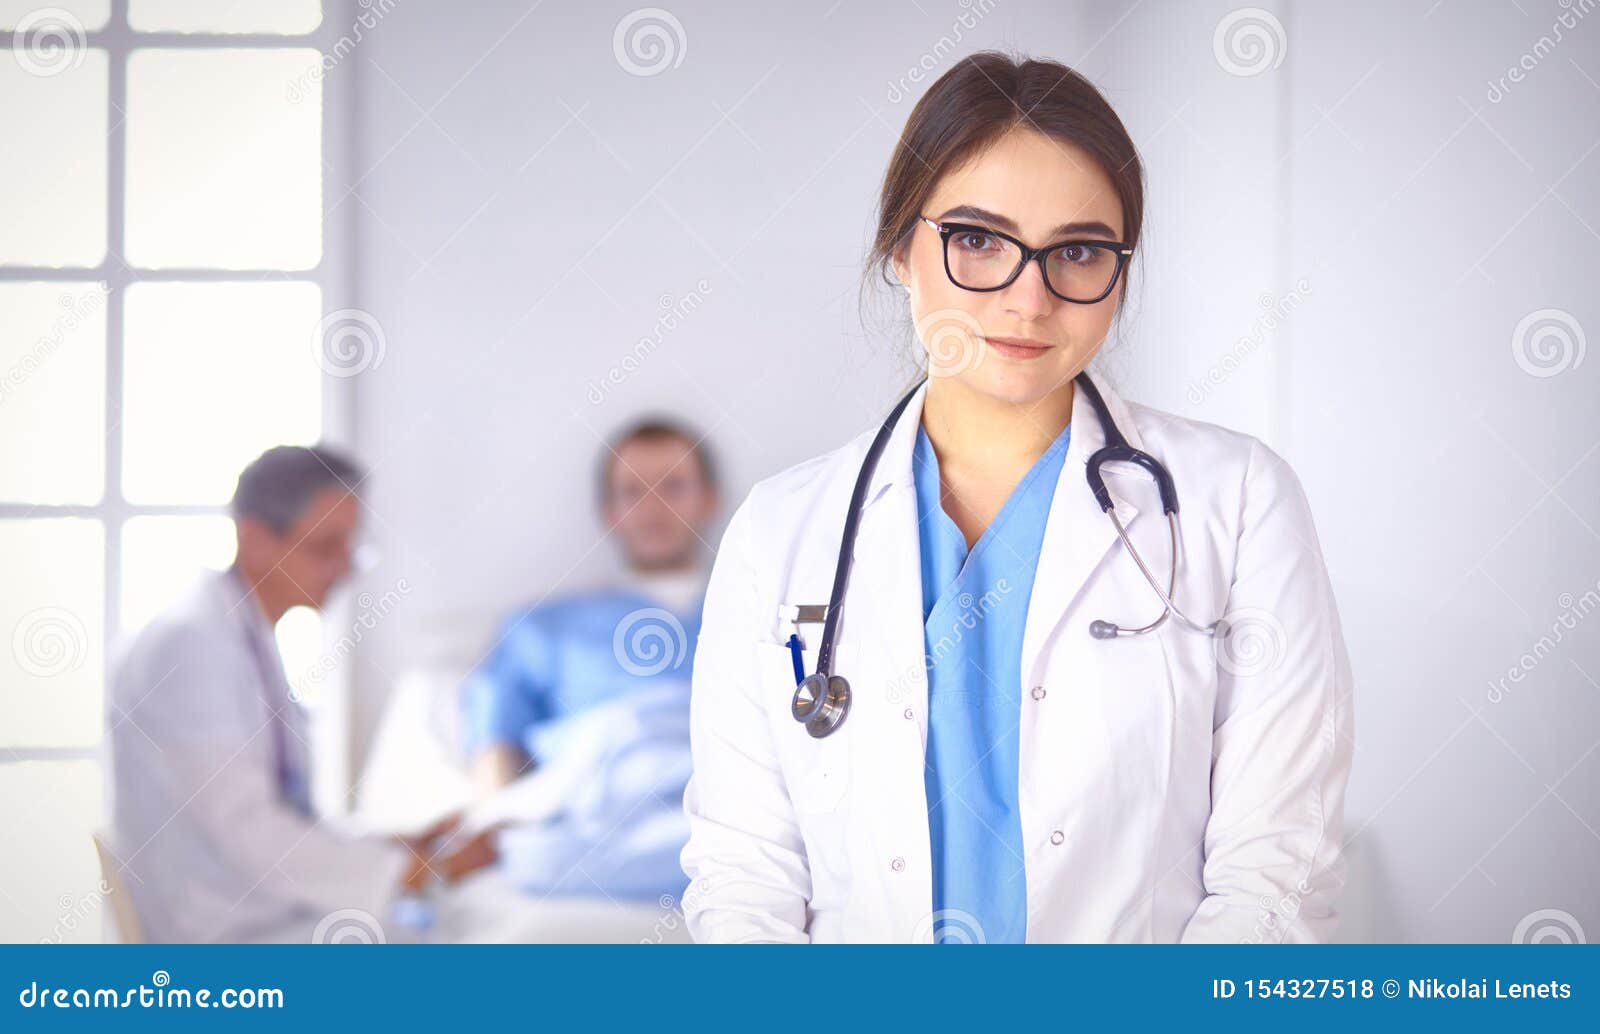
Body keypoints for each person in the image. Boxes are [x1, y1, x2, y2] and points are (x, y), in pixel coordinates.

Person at [680, 53, 1355, 943]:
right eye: (978, 241)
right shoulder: (780, 529)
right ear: (899, 249)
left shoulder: (1238, 500)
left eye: (1077, 251)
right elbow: (744, 875)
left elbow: (1277, 869)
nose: (1028, 298)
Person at [107, 445, 494, 943]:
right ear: (256, 540)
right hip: (217, 936)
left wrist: (399, 847)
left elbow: (279, 815)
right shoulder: (191, 648)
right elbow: (248, 829)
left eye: (351, 547)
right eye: (326, 547)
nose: (346, 568)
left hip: (251, 912)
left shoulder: (243, 637)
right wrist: (417, 870)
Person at [460, 418, 719, 901]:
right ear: (608, 511)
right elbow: (493, 736)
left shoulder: (756, 614)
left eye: (674, 486)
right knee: (532, 857)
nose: (654, 508)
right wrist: (495, 819)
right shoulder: (544, 627)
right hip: (606, 797)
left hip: (716, 785)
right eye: (633, 491)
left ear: (709, 500)